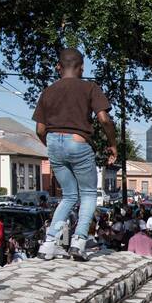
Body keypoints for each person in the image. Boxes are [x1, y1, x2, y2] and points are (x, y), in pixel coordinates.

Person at [34, 48, 116, 261]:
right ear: (81, 68)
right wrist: (112, 144)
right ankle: (79, 242)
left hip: (53, 142)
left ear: (58, 67)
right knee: (88, 193)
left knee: (69, 196)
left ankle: (49, 243)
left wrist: (52, 145)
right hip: (78, 142)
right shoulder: (90, 87)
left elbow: (40, 130)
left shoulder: (48, 91)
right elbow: (104, 119)